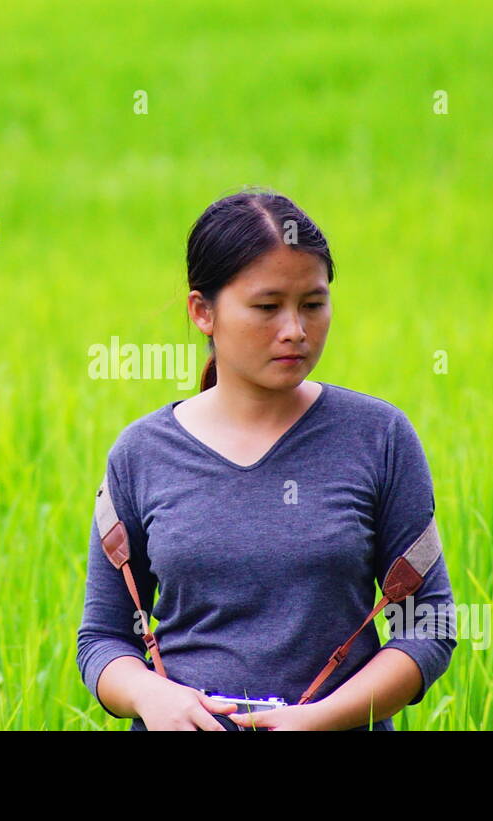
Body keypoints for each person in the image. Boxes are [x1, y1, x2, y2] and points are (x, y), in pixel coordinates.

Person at [75, 187, 457, 730]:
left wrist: (321, 719)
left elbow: (427, 626)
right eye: (267, 307)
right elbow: (104, 637)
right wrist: (150, 697)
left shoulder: (379, 437)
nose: (295, 331)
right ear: (202, 312)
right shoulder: (141, 454)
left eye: (313, 304)